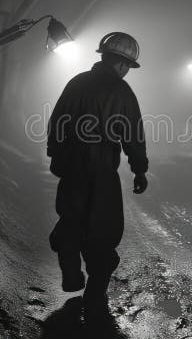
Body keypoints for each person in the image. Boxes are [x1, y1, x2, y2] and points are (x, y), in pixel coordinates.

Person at [47, 32, 149, 325]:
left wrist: (56, 154)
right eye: (127, 66)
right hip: (103, 171)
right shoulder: (123, 92)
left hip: (73, 168)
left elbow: (57, 121)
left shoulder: (77, 83)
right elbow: (133, 134)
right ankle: (95, 295)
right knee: (103, 232)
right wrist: (139, 168)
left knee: (70, 220)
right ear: (122, 64)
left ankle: (71, 273)